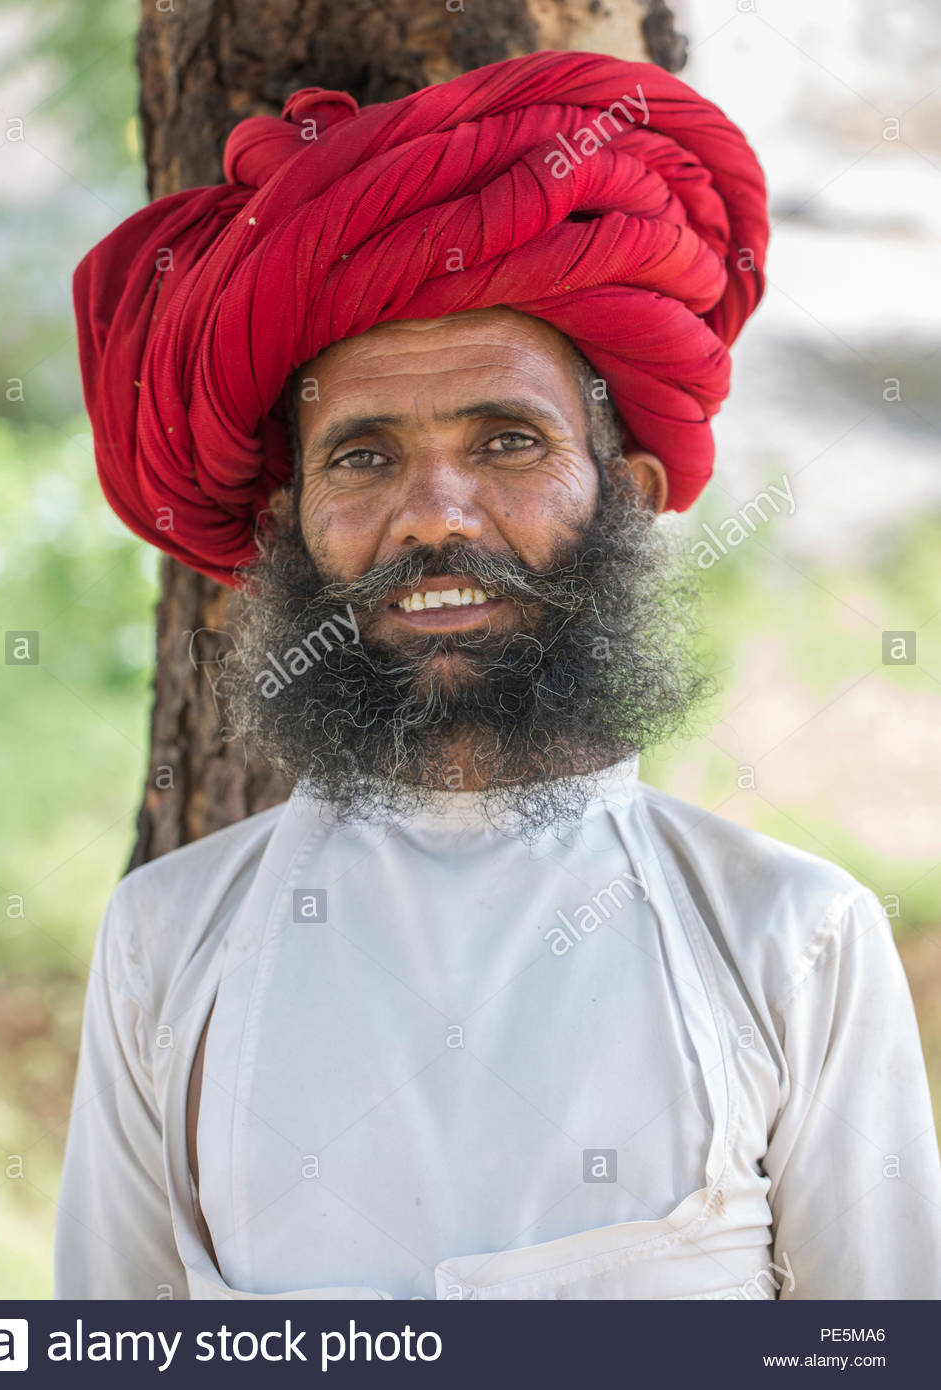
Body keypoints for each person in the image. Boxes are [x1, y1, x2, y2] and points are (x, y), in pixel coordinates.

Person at [54, 49, 941, 1300]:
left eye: (508, 441)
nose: (434, 518)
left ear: (624, 499)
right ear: (288, 522)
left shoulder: (791, 939)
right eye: (362, 457)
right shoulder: (168, 943)